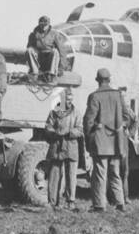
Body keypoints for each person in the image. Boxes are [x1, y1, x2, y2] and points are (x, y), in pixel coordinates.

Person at [82, 67, 129, 211]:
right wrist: (119, 127)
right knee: (115, 173)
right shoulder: (118, 95)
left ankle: (99, 205)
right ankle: (120, 203)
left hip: (101, 142)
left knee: (100, 174)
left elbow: (88, 121)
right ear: (109, 80)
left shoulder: (94, 96)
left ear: (97, 80)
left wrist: (90, 135)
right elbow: (127, 117)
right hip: (116, 142)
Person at [44, 89, 82, 210]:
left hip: (71, 146)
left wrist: (70, 133)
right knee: (54, 174)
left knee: (71, 175)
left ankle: (70, 202)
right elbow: (48, 127)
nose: (69, 102)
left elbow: (80, 129)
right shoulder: (53, 112)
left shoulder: (77, 113)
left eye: (71, 99)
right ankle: (52, 202)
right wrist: (54, 133)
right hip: (56, 146)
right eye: (67, 100)